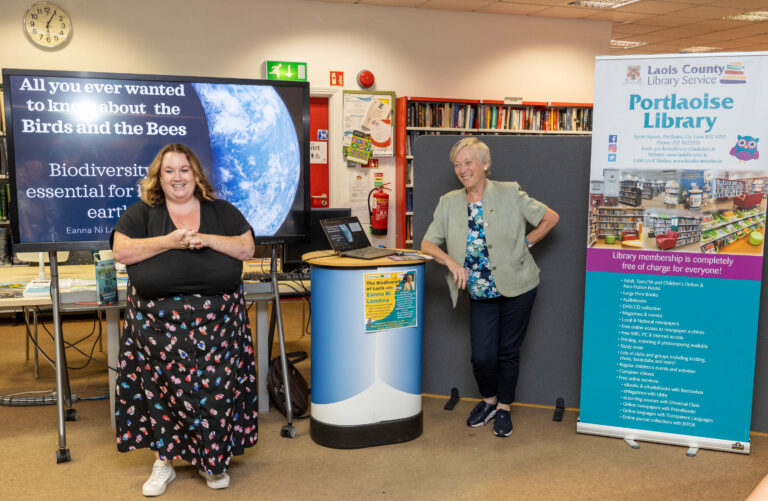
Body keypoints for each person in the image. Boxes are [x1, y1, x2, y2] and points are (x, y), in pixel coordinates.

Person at [111, 144, 258, 496]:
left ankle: (213, 460)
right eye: (169, 171)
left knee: (215, 395)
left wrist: (203, 238)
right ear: (158, 179)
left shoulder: (221, 211)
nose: (178, 177)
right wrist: (170, 242)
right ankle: (164, 461)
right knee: (161, 397)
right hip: (157, 330)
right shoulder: (141, 214)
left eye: (184, 170)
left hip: (219, 328)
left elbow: (246, 248)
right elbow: (122, 251)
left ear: (196, 174)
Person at [420, 137, 559, 438]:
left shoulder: (509, 192)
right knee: (482, 355)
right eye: (457, 165)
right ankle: (489, 401)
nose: (462, 169)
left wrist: (526, 244)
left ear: (485, 164)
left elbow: (550, 218)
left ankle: (504, 408)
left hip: (519, 286)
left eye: (468, 162)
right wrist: (452, 264)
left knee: (508, 352)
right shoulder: (448, 202)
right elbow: (427, 243)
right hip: (480, 292)